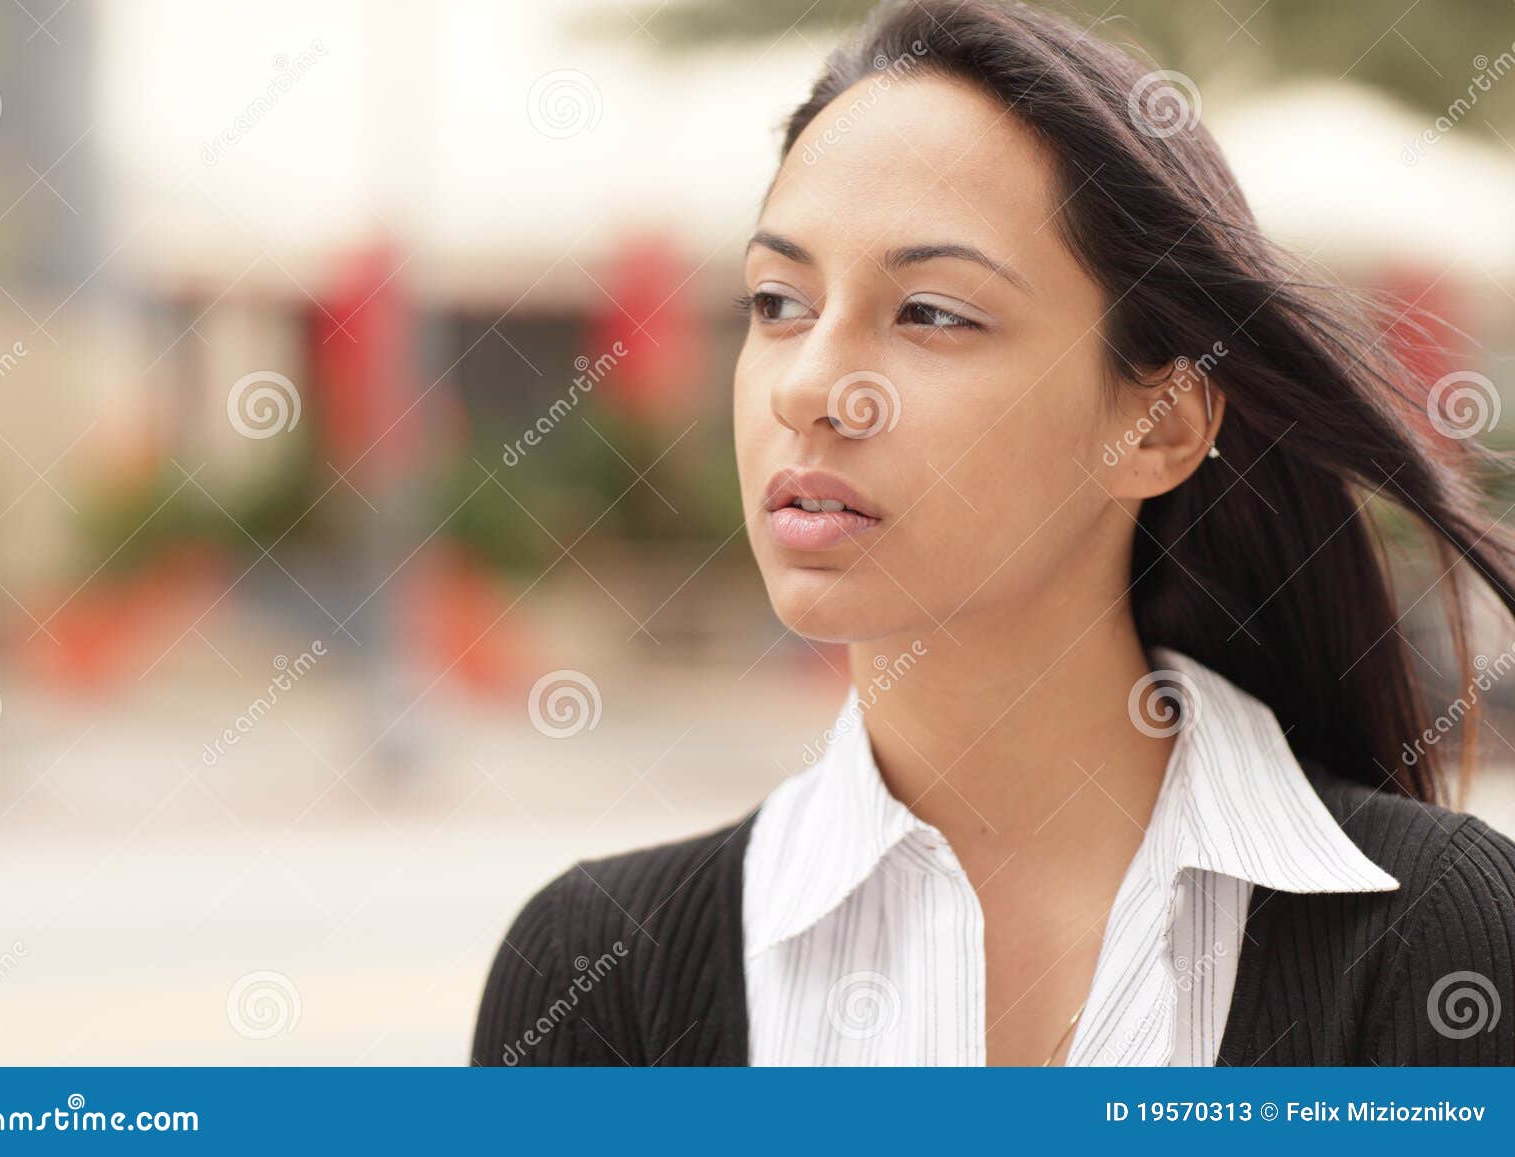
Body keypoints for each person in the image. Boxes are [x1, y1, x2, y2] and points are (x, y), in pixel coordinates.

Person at [473, 0, 1515, 1066]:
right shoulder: (597, 977)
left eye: (931, 312)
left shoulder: (1439, 944)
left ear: (1160, 426)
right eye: (778, 301)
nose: (810, 386)